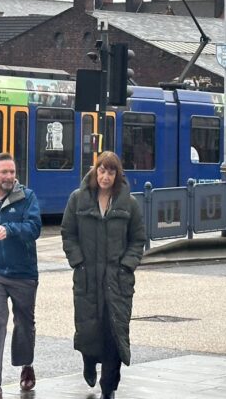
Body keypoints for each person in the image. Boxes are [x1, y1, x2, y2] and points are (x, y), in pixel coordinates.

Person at [61, 151, 146, 399]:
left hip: (117, 281)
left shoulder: (129, 204)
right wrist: (78, 262)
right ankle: (88, 361)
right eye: (101, 171)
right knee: (89, 329)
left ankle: (109, 386)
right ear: (95, 171)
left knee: (114, 332)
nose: (105, 176)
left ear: (117, 175)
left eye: (110, 172)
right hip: (87, 278)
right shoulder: (78, 199)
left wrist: (126, 266)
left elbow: (137, 240)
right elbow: (68, 233)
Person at [0, 152, 42, 399]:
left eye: (12, 172)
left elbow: (34, 228)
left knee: (24, 324)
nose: (10, 176)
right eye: (4, 172)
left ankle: (26, 364)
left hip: (23, 273)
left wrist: (9, 229)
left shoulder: (27, 197)